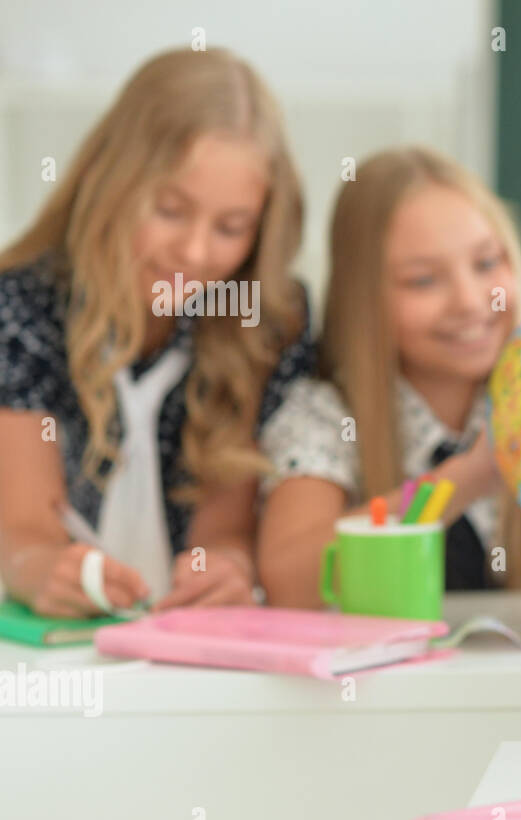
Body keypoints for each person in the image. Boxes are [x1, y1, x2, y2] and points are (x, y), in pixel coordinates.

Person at [0, 47, 312, 617]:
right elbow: (24, 534)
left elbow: (225, 531)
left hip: (189, 658)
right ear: (112, 181)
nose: (194, 253)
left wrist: (225, 569)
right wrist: (45, 571)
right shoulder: (22, 306)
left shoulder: (260, 318)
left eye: (231, 227)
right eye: (170, 209)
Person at [257, 147, 521, 606]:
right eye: (423, 280)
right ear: (362, 299)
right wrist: (464, 480)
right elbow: (292, 578)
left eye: (487, 263)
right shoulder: (325, 416)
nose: (470, 302)